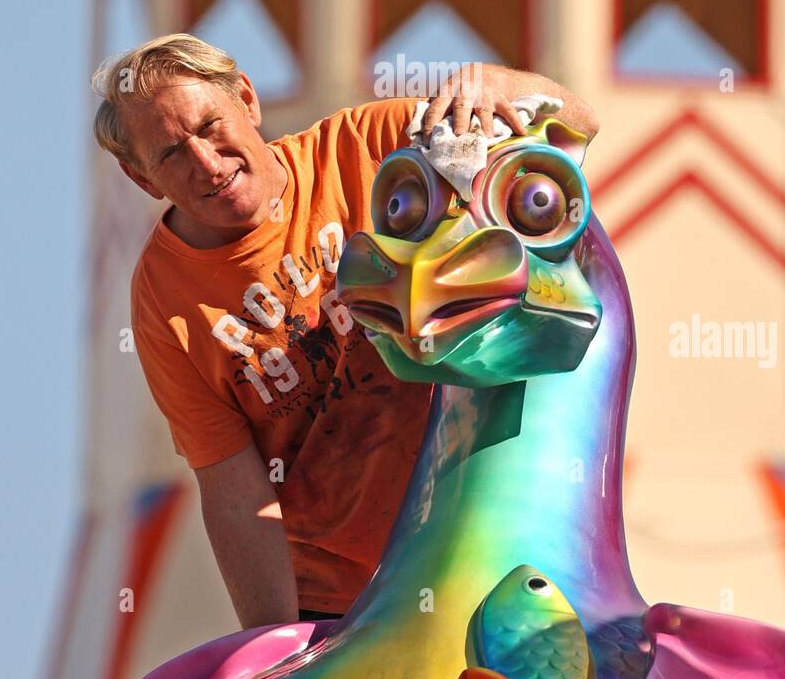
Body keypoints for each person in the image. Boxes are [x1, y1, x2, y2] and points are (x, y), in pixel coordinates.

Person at [90, 33, 600, 630]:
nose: (206, 162)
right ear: (141, 178)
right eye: (171, 154)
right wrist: (273, 649)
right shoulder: (163, 299)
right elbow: (232, 485)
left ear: (247, 100)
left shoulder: (375, 144)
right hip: (337, 604)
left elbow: (577, 125)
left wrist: (497, 83)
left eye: (209, 126)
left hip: (484, 545)